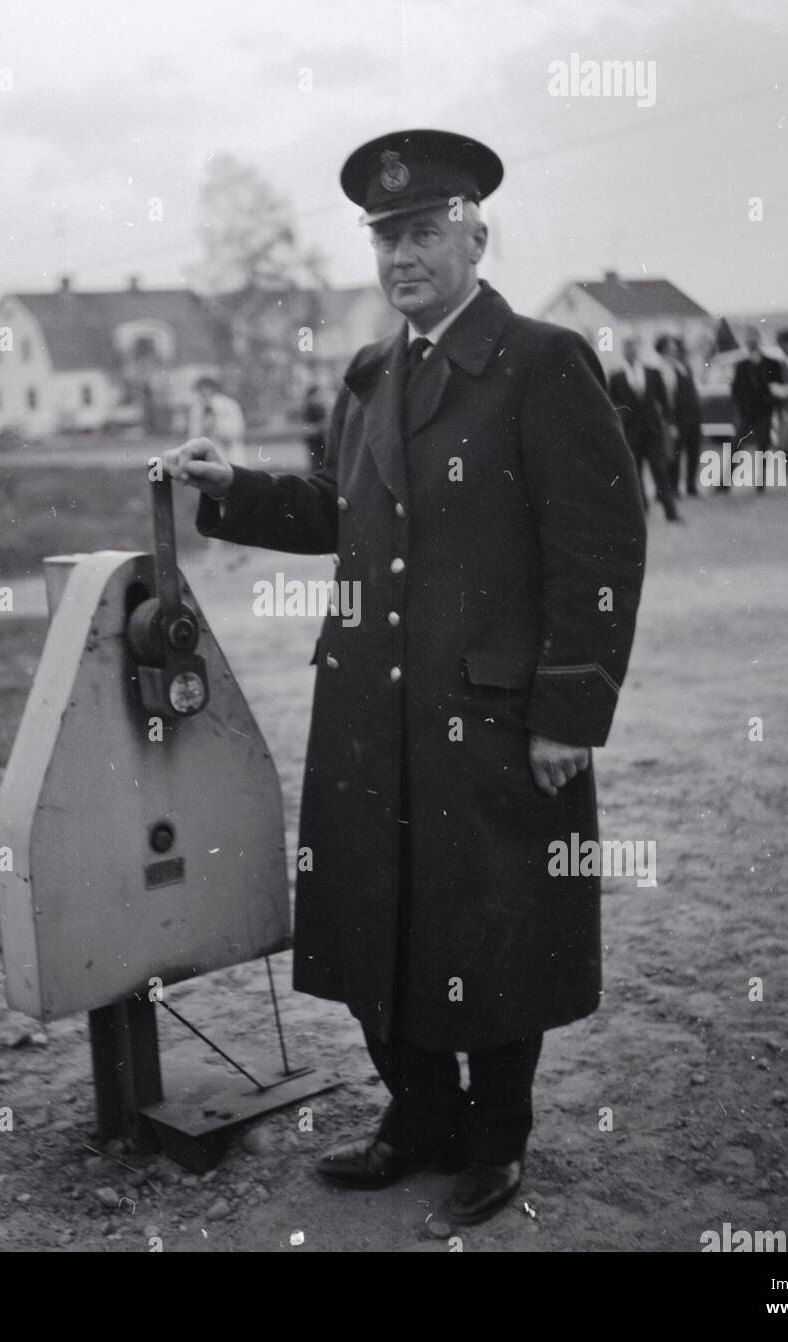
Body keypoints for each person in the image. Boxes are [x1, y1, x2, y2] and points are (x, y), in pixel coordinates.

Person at [161, 129, 646, 1228]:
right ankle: (417, 1114)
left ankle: (494, 1139)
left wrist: (568, 706)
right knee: (380, 913)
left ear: (477, 233)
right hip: (371, 710)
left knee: (490, 921)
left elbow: (599, 550)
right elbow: (342, 509)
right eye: (386, 236)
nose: (402, 255)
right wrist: (233, 485)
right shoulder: (376, 371)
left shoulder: (541, 360)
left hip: (489, 713)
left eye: (424, 230)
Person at [608, 336, 681, 521]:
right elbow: (612, 403)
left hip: (652, 430)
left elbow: (664, 401)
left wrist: (667, 422)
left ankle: (670, 512)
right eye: (627, 348)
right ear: (623, 352)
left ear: (638, 350)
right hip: (631, 432)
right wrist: (622, 421)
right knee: (635, 472)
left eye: (633, 348)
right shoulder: (616, 377)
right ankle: (642, 510)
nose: (631, 352)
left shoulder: (652, 373)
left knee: (660, 470)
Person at [729, 329, 781, 492]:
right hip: (746, 412)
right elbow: (735, 389)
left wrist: (770, 402)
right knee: (736, 445)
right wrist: (741, 407)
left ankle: (761, 482)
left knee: (763, 446)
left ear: (759, 340)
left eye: (753, 339)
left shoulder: (772, 364)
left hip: (764, 411)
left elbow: (777, 386)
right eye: (748, 340)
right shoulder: (741, 365)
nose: (751, 342)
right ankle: (725, 481)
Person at [662, 335, 703, 498]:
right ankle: (673, 487)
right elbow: (669, 397)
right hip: (679, 417)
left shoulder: (686, 367)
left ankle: (691, 485)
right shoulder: (668, 369)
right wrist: (671, 421)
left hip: (693, 417)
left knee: (694, 452)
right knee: (676, 454)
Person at [186, 376, 247, 466]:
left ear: (214, 388)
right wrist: (204, 428)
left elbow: (237, 432)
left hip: (230, 454)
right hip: (208, 457)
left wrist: (216, 424)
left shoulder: (229, 405)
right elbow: (193, 435)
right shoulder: (197, 408)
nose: (204, 392)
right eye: (201, 389)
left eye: (207, 388)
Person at [301, 382, 329, 473]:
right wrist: (321, 426)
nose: (320, 397)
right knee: (316, 464)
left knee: (321, 462)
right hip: (314, 439)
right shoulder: (309, 408)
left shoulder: (320, 408)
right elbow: (307, 428)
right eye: (318, 395)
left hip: (320, 439)